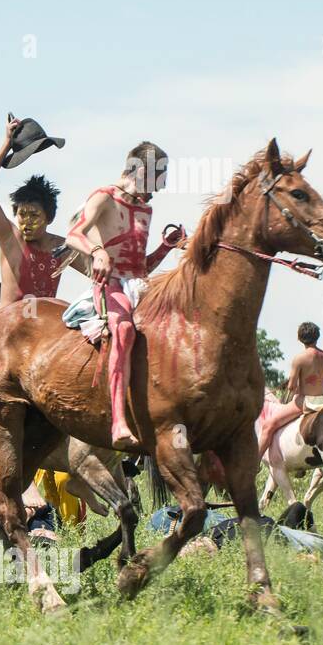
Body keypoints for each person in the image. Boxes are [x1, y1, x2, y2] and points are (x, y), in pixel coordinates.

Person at [65, 141, 180, 448]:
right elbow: (74, 234)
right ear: (142, 170)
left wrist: (166, 247)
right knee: (125, 330)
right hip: (109, 283)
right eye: (161, 174)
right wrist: (98, 251)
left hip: (138, 287)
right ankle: (118, 422)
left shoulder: (146, 209)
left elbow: (142, 267)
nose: (164, 184)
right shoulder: (104, 196)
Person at [0, 116, 79, 305]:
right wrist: (6, 145)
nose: (26, 221)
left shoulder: (62, 248)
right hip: (8, 329)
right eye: (22, 214)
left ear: (49, 217)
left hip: (45, 330)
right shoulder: (11, 239)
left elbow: (100, 268)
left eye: (34, 215)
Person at [257, 322, 323, 457]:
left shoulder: (299, 359)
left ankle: (256, 461)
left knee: (268, 425)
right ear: (317, 337)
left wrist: (293, 386)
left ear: (299, 338)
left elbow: (292, 387)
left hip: (303, 402)